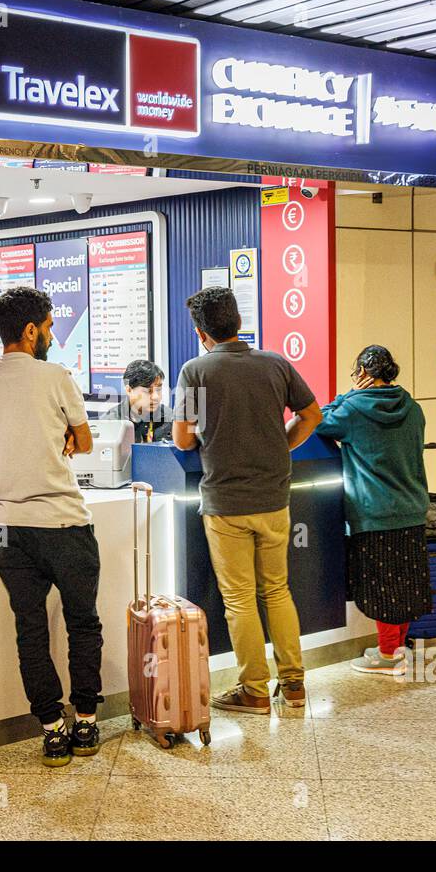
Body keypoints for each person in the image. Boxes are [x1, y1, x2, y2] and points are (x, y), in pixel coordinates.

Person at [172, 287, 323, 714]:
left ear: (202, 332)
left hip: (225, 502)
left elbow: (182, 438)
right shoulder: (275, 364)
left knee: (239, 599)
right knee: (277, 590)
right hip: (274, 498)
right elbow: (312, 414)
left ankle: (254, 690)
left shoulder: (195, 371)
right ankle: (294, 686)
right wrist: (282, 446)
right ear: (238, 322)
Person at [0, 286, 103, 767]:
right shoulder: (55, 375)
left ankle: (51, 731)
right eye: (48, 327)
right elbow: (84, 442)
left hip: (7, 526)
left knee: (31, 629)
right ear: (30, 331)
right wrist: (64, 437)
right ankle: (85, 723)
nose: (50, 335)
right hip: (62, 521)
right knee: (82, 624)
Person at [316, 345, 431, 676]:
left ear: (364, 373)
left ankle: (388, 652)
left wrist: (346, 395)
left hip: (374, 510)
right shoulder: (413, 407)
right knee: (406, 581)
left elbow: (319, 422)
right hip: (411, 508)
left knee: (380, 583)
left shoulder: (353, 408)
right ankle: (398, 648)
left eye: (356, 373)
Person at [101, 359, 172, 442]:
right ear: (129, 390)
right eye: (148, 391)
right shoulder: (110, 423)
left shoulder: (169, 417)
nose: (156, 397)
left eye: (158, 389)